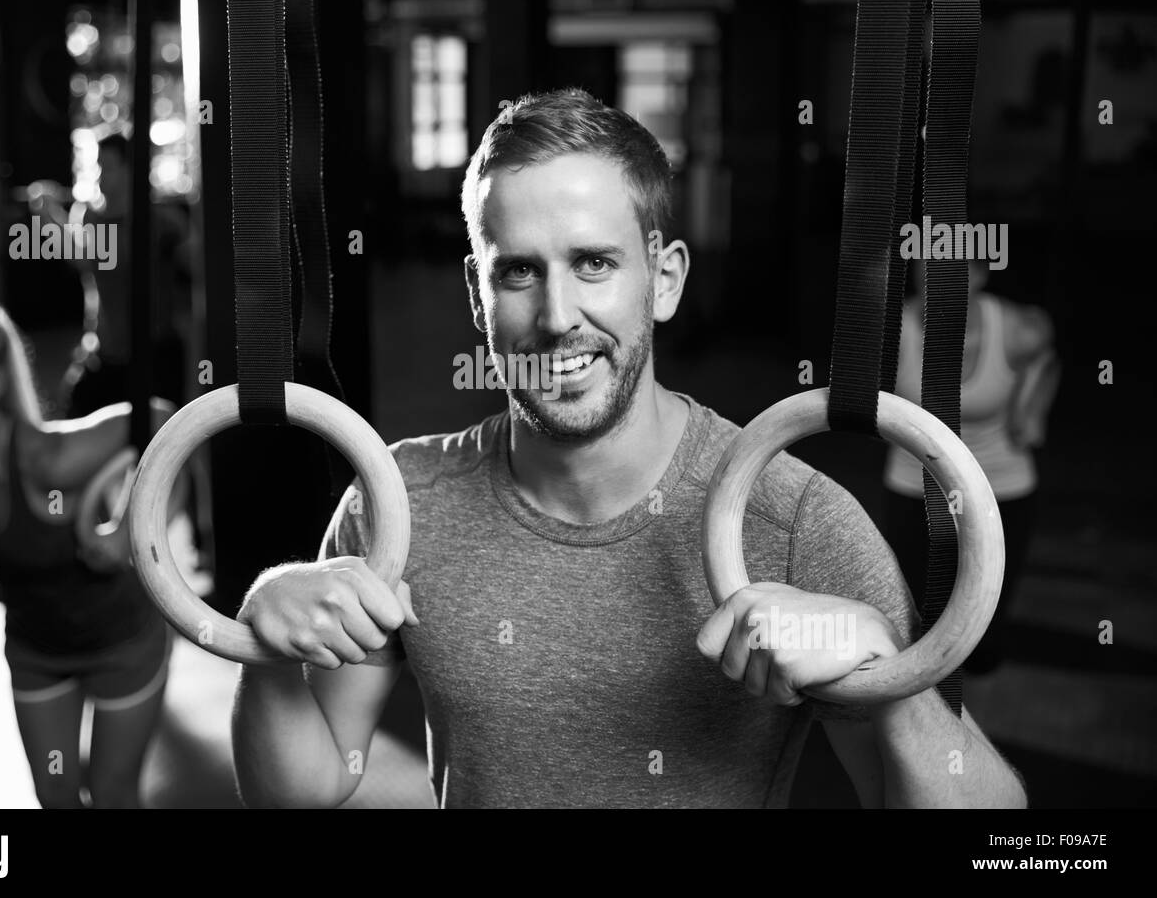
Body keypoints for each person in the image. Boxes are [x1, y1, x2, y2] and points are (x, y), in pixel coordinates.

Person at [231, 89, 1027, 808]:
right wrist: (262, 647)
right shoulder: (401, 503)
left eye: (594, 263)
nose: (557, 315)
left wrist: (888, 677)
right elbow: (308, 786)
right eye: (518, 273)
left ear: (665, 278)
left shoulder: (792, 521)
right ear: (478, 295)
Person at [0, 294, 172, 808]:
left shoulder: (50, 460)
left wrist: (136, 530)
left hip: (122, 644)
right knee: (56, 795)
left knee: (112, 794)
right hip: (35, 650)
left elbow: (162, 420)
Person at [883, 259, 1059, 674]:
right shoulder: (895, 329)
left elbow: (1047, 359)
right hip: (916, 486)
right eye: (923, 270)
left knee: (985, 626)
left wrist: (1029, 410)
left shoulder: (1019, 328)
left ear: (979, 274)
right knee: (915, 615)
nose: (931, 281)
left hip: (1000, 487)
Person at [61, 132, 191, 417]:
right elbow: (83, 261)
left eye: (107, 166)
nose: (99, 175)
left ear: (130, 169)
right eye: (98, 166)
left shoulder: (163, 221)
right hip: (108, 356)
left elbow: (196, 270)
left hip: (155, 356)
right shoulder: (89, 217)